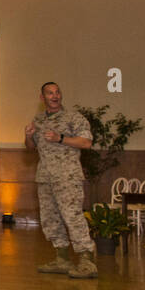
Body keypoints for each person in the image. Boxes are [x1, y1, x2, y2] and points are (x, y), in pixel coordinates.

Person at [25, 82, 96, 278]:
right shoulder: (38, 120)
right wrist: (28, 136)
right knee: (50, 219)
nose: (55, 96)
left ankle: (87, 261)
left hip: (67, 177)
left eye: (57, 92)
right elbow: (31, 148)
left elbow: (86, 142)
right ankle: (62, 259)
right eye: (50, 93)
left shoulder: (73, 118)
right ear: (42, 98)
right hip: (45, 177)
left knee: (72, 216)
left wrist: (60, 138)